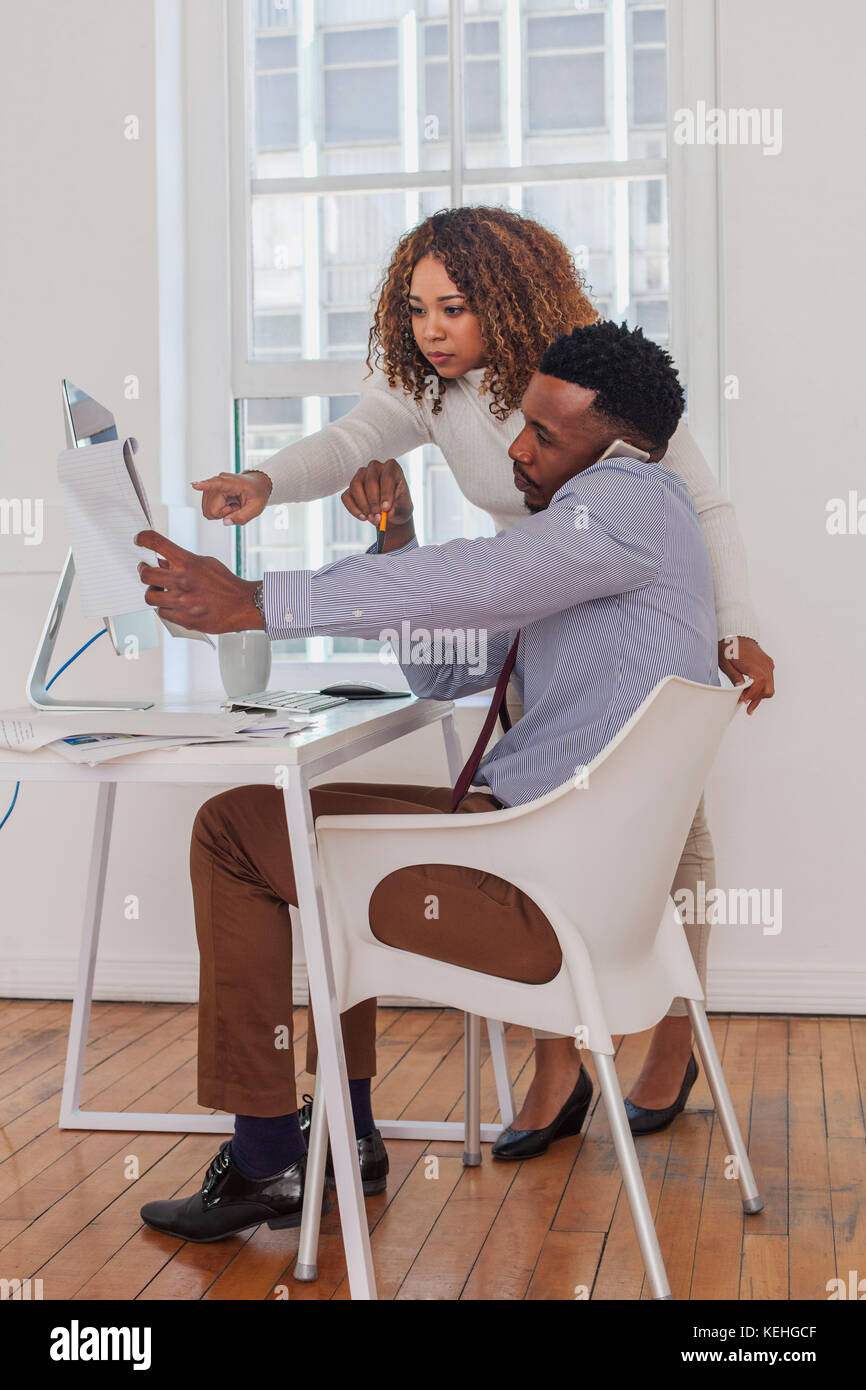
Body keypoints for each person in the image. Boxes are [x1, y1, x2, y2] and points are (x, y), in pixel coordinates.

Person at [194, 208, 774, 1141]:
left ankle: (659, 1047)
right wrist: (288, 491)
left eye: (453, 307)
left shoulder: (624, 474)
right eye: (417, 308)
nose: (431, 328)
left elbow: (680, 505)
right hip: (540, 607)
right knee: (542, 795)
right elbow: (428, 612)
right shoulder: (453, 410)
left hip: (565, 605)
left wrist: (268, 598)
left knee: (645, 822)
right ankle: (463, 1098)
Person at [139, 320, 720, 1239]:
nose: (517, 452)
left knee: (237, 832)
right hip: (566, 877)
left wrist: (261, 600)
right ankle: (347, 1136)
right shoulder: (595, 530)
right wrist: (397, 544)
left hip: (544, 905)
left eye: (544, 436)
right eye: (521, 425)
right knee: (273, 823)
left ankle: (268, 1159)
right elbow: (452, 668)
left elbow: (481, 573)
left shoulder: (628, 502)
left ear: (615, 450)